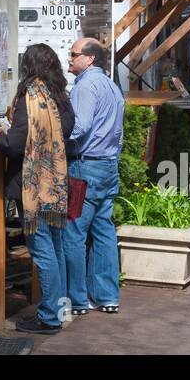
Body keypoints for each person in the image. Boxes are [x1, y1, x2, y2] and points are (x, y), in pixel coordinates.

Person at [0, 44, 75, 336]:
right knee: (55, 247)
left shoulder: (30, 96)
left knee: (42, 252)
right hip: (54, 182)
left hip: (32, 185)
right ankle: (59, 309)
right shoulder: (58, 96)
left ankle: (49, 317)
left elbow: (15, 143)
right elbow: (66, 129)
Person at [64, 37, 124, 315]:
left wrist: (55, 140)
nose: (69, 59)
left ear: (89, 59)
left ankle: (77, 300)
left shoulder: (86, 86)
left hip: (85, 167)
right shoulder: (111, 86)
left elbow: (79, 128)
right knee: (103, 232)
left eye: (74, 54)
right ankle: (107, 296)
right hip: (107, 166)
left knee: (74, 233)